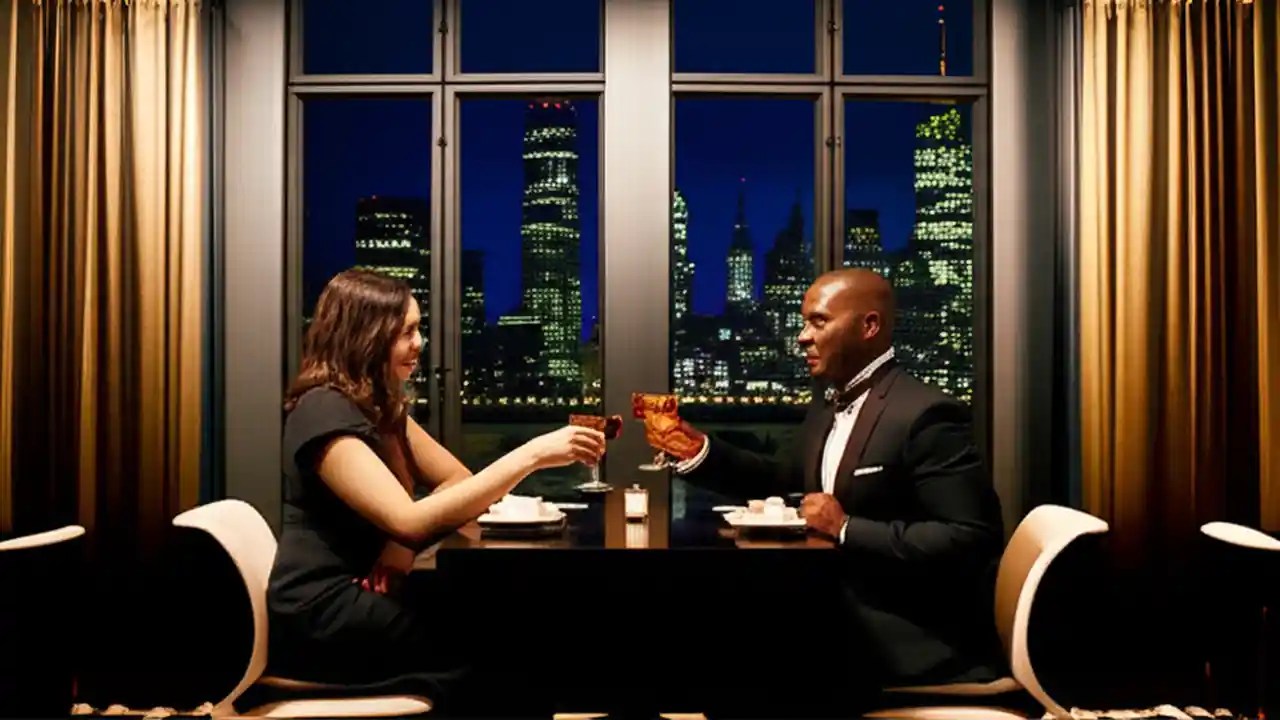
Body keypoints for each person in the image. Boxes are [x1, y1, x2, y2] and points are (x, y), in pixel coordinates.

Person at [645, 268, 1007, 702]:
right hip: (835, 607)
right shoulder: (828, 406)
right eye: (804, 322)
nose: (801, 336)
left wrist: (846, 528)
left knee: (732, 658)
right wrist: (698, 451)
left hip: (907, 633)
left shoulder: (927, 416)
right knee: (710, 626)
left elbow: (972, 538)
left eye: (818, 322)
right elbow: (782, 479)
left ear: (868, 326)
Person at [265, 269, 605, 713]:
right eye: (407, 331)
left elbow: (457, 478)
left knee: (515, 623)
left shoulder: (382, 409)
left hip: (367, 590)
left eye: (418, 328)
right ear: (367, 335)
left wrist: (398, 547)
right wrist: (533, 454)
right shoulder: (323, 412)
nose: (419, 343)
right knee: (503, 649)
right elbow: (409, 520)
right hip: (324, 611)